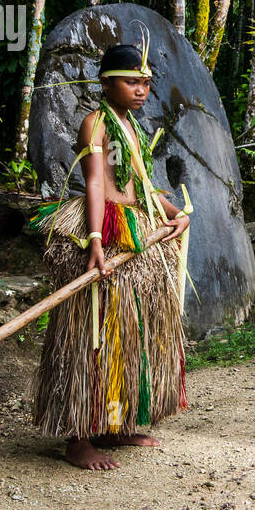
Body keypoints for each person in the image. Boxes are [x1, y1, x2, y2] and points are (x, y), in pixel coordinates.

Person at [30, 42, 191, 471]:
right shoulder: (95, 125)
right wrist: (97, 240)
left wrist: (177, 214)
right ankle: (79, 436)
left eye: (145, 83)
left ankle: (118, 421)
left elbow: (140, 185)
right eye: (131, 82)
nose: (141, 90)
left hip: (136, 223)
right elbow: (96, 185)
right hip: (104, 226)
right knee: (92, 330)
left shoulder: (131, 127)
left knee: (132, 326)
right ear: (106, 82)